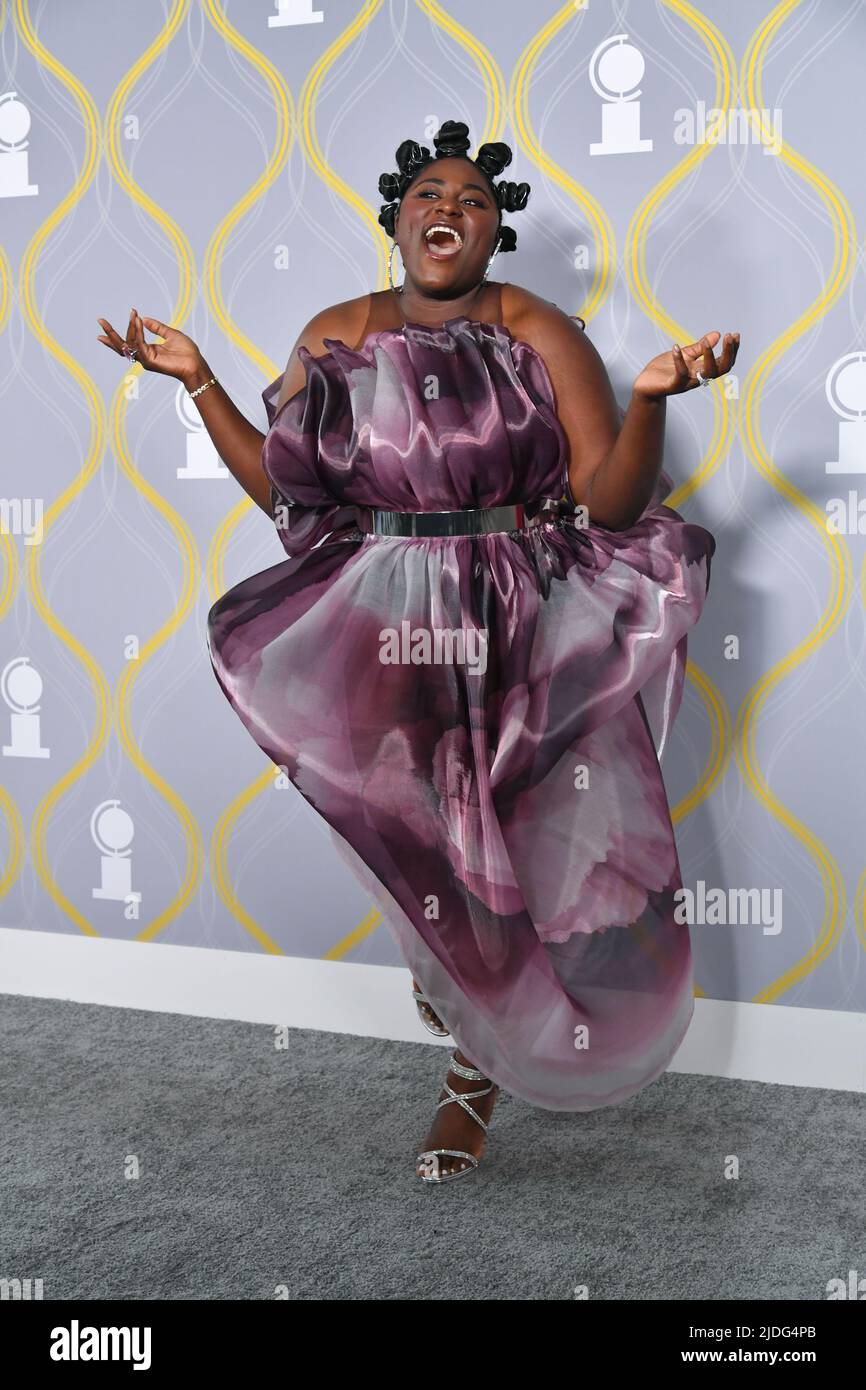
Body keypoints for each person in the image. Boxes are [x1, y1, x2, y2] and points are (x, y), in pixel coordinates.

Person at [97, 119, 738, 1186]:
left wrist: (647, 402)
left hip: (516, 623)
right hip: (386, 626)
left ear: (496, 233)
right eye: (430, 193)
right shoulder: (333, 334)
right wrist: (199, 379)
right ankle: (474, 1056)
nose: (451, 207)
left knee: (528, 855)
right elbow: (290, 496)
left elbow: (608, 498)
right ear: (396, 216)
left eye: (477, 200)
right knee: (439, 868)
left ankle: (482, 1077)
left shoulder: (536, 328)